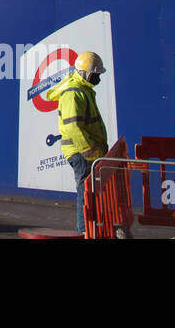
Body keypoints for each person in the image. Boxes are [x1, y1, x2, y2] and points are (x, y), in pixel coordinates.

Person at [45, 50, 109, 233]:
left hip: (85, 152)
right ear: (84, 74)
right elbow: (74, 128)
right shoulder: (73, 93)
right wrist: (91, 152)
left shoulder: (83, 90)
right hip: (81, 154)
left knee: (90, 193)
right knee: (85, 193)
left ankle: (90, 230)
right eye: (95, 74)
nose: (97, 78)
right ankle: (84, 232)